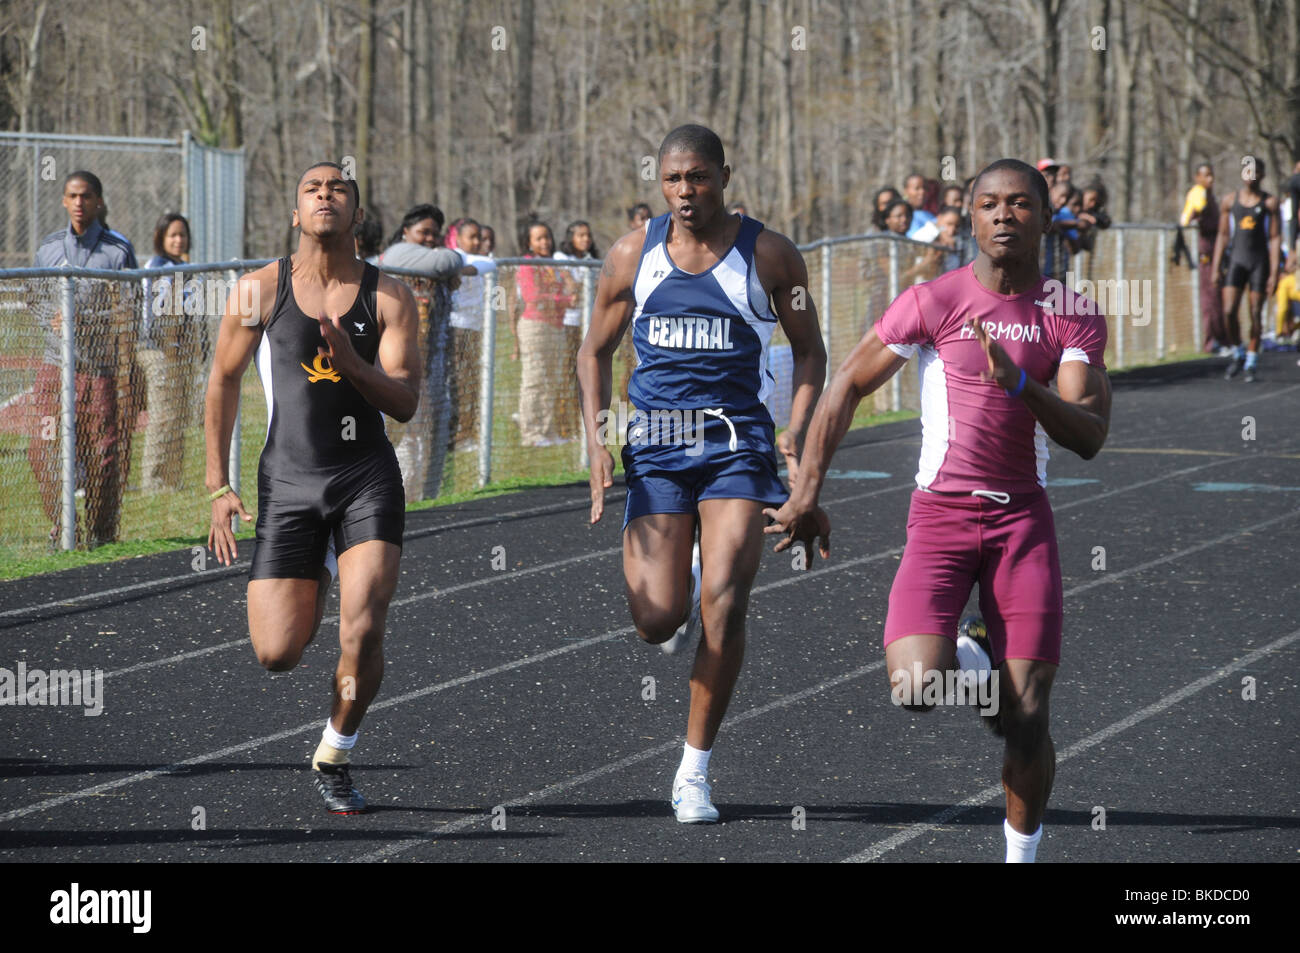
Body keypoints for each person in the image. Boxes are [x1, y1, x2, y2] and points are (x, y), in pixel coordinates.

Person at [767, 158, 1111, 863]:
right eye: (989, 203)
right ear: (972, 215)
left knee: (1027, 721)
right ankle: (978, 659)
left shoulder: (1071, 315)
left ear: (1046, 218)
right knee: (917, 686)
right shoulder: (934, 299)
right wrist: (807, 491)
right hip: (942, 518)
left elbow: (1088, 435)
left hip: (1022, 524)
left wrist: (1021, 385)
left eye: (1020, 203)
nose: (1004, 215)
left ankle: (1021, 855)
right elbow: (845, 387)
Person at [577, 124, 826, 823]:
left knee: (724, 599)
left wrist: (795, 429)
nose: (687, 192)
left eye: (699, 178)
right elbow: (593, 350)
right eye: (673, 180)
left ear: (724, 174)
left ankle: (694, 771)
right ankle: (677, 578)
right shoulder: (634, 253)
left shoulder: (771, 255)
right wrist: (599, 438)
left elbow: (811, 353)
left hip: (736, 447)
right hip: (656, 447)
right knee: (657, 619)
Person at [204, 161, 421, 815]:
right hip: (289, 483)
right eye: (312, 188)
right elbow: (222, 380)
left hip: (365, 480)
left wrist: (354, 364)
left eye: (340, 188)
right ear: (296, 213)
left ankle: (335, 750)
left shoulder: (389, 296)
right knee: (277, 652)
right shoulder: (259, 290)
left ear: (356, 213)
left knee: (363, 628)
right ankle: (321, 565)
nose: (326, 193)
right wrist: (218, 485)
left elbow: (406, 400)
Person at [28, 170, 139, 550]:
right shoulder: (49, 249)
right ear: (63, 200)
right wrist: (52, 317)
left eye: (86, 196)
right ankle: (63, 525)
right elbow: (35, 298)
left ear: (99, 201)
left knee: (103, 453)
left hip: (101, 369)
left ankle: (101, 531)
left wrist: (85, 320)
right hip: (56, 367)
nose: (79, 203)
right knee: (43, 445)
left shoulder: (117, 251)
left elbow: (129, 307)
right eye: (73, 196)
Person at [378, 206, 463, 498]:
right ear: (405, 232)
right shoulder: (398, 253)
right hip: (392, 362)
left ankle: (417, 493)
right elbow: (448, 261)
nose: (429, 238)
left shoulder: (427, 256)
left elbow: (448, 264)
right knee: (397, 430)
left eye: (434, 234)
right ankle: (394, 491)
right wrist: (452, 263)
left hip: (427, 361)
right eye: (422, 232)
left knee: (420, 430)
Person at [139, 212, 197, 491]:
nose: (178, 240)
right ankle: (154, 482)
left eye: (182, 234)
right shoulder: (157, 267)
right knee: (162, 417)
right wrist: (166, 345)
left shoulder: (187, 268)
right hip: (158, 350)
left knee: (178, 416)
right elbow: (153, 315)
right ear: (161, 238)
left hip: (181, 352)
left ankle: (174, 479)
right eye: (172, 235)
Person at [1211, 155, 1282, 382]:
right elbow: (1222, 235)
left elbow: (1275, 238)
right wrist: (1215, 267)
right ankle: (1238, 351)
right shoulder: (1230, 201)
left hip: (1259, 263)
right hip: (1237, 261)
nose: (1250, 175)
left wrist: (1274, 272)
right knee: (1229, 311)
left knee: (1255, 312)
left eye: (1255, 171)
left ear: (1261, 174)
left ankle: (1251, 359)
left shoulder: (1270, 203)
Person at [512, 219, 576, 447]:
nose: (544, 242)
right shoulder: (527, 263)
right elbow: (533, 297)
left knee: (552, 380)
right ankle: (531, 433)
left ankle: (548, 431)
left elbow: (565, 289)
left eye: (546, 236)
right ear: (529, 242)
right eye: (538, 238)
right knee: (534, 379)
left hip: (555, 325)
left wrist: (566, 297)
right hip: (534, 326)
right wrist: (565, 301)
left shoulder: (552, 264)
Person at [447, 218, 498, 452]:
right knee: (455, 381)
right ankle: (453, 433)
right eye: (471, 237)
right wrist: (457, 268)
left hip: (475, 328)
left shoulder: (481, 260)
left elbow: (488, 265)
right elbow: (456, 265)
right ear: (458, 238)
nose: (477, 241)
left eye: (480, 237)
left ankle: (468, 432)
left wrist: (462, 270)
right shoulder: (453, 256)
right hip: (456, 326)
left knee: (472, 380)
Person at [554, 220, 600, 439]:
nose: (586, 239)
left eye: (588, 235)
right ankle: (565, 425)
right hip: (569, 323)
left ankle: (583, 425)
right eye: (580, 235)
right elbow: (572, 287)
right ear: (570, 237)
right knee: (568, 375)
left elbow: (598, 288)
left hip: (588, 323)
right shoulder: (562, 258)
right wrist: (585, 287)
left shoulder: (591, 260)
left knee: (588, 376)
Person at [1180, 163, 1227, 352]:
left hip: (1218, 253)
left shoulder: (1211, 197)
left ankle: (1223, 339)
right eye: (1205, 175)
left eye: (1211, 175)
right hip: (1206, 256)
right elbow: (1187, 218)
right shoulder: (1198, 194)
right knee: (1210, 300)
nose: (1210, 179)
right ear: (1197, 178)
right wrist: (1194, 215)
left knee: (1219, 299)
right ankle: (1211, 343)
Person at [903, 173, 937, 237]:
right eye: (917, 188)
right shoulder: (903, 216)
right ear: (906, 191)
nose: (922, 192)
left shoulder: (930, 215)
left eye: (925, 188)